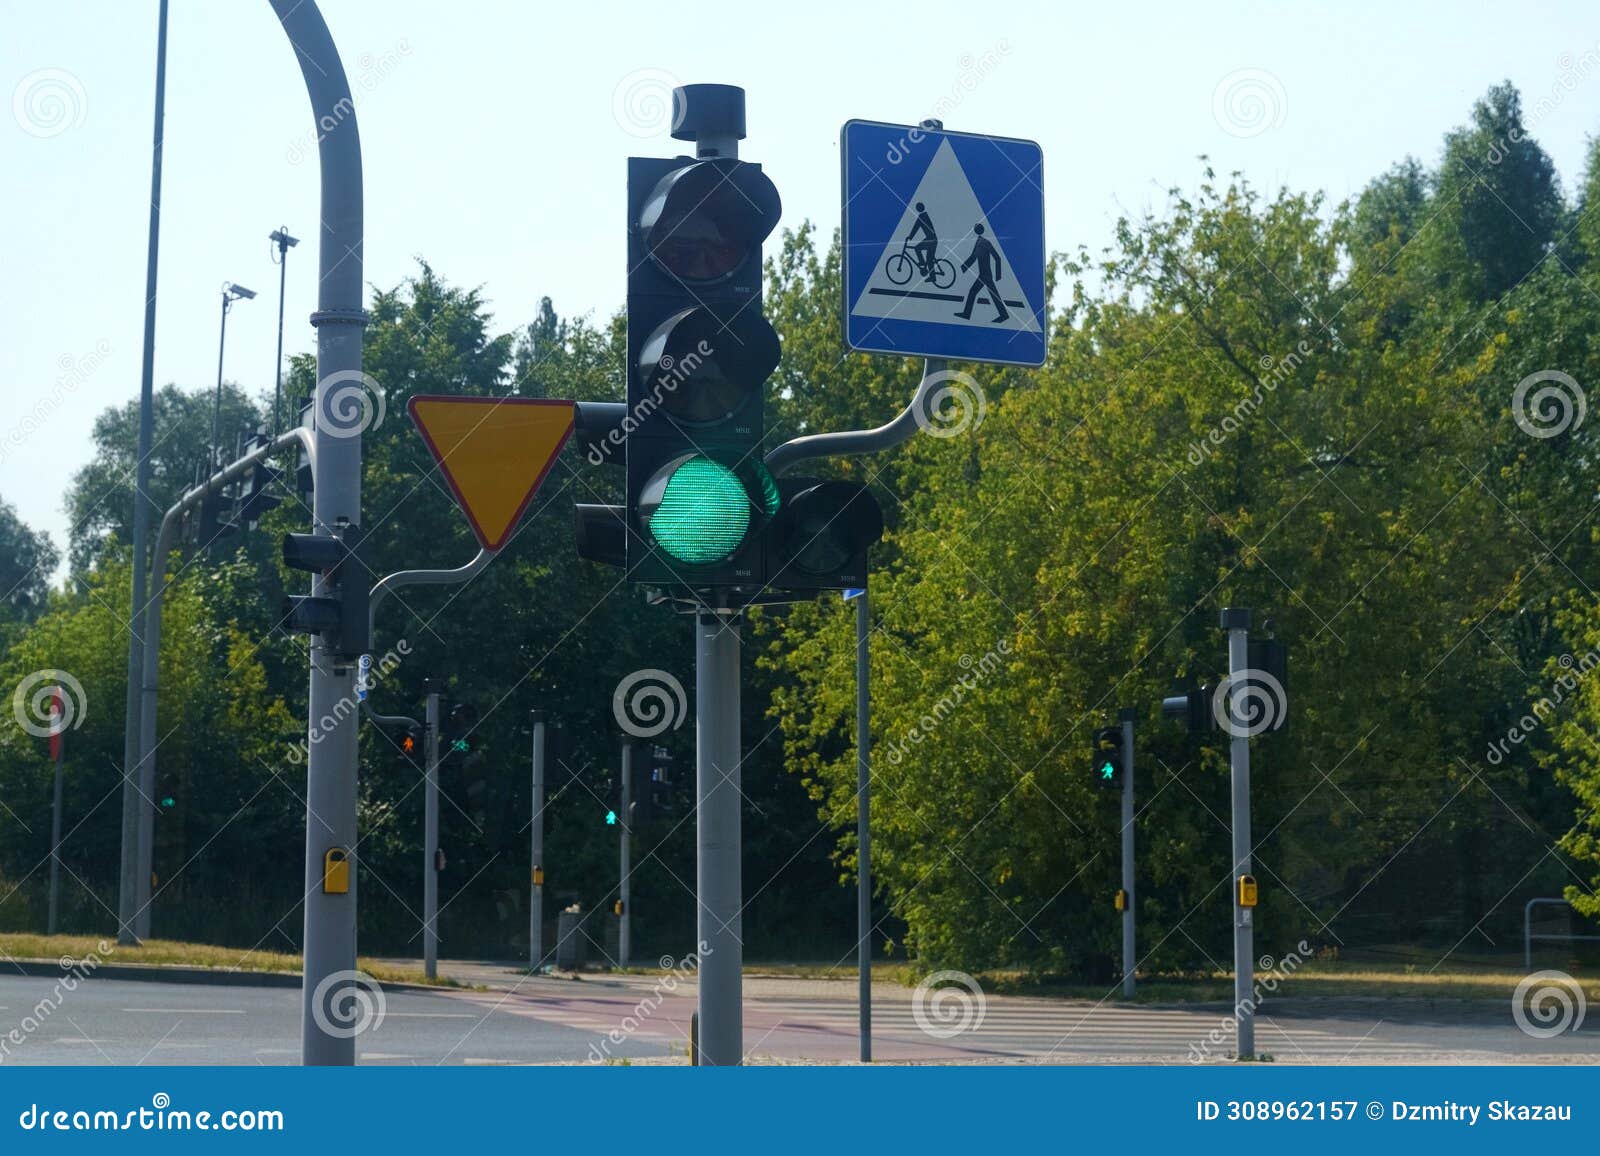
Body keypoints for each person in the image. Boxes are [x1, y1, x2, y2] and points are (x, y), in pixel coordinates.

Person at [955, 223, 1008, 323]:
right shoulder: (979, 241)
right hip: (982, 274)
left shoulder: (985, 242)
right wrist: (963, 268)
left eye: (975, 229)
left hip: (986, 275)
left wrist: (998, 275)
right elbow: (973, 257)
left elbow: (997, 257)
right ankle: (966, 314)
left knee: (992, 295)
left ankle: (1004, 315)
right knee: (973, 292)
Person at [904, 202, 939, 282]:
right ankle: (931, 275)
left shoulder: (922, 216)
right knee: (929, 259)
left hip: (930, 239)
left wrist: (910, 237)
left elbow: (916, 227)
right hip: (932, 239)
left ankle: (922, 263)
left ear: (919, 209)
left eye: (917, 207)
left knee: (917, 248)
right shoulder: (925, 215)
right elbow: (916, 227)